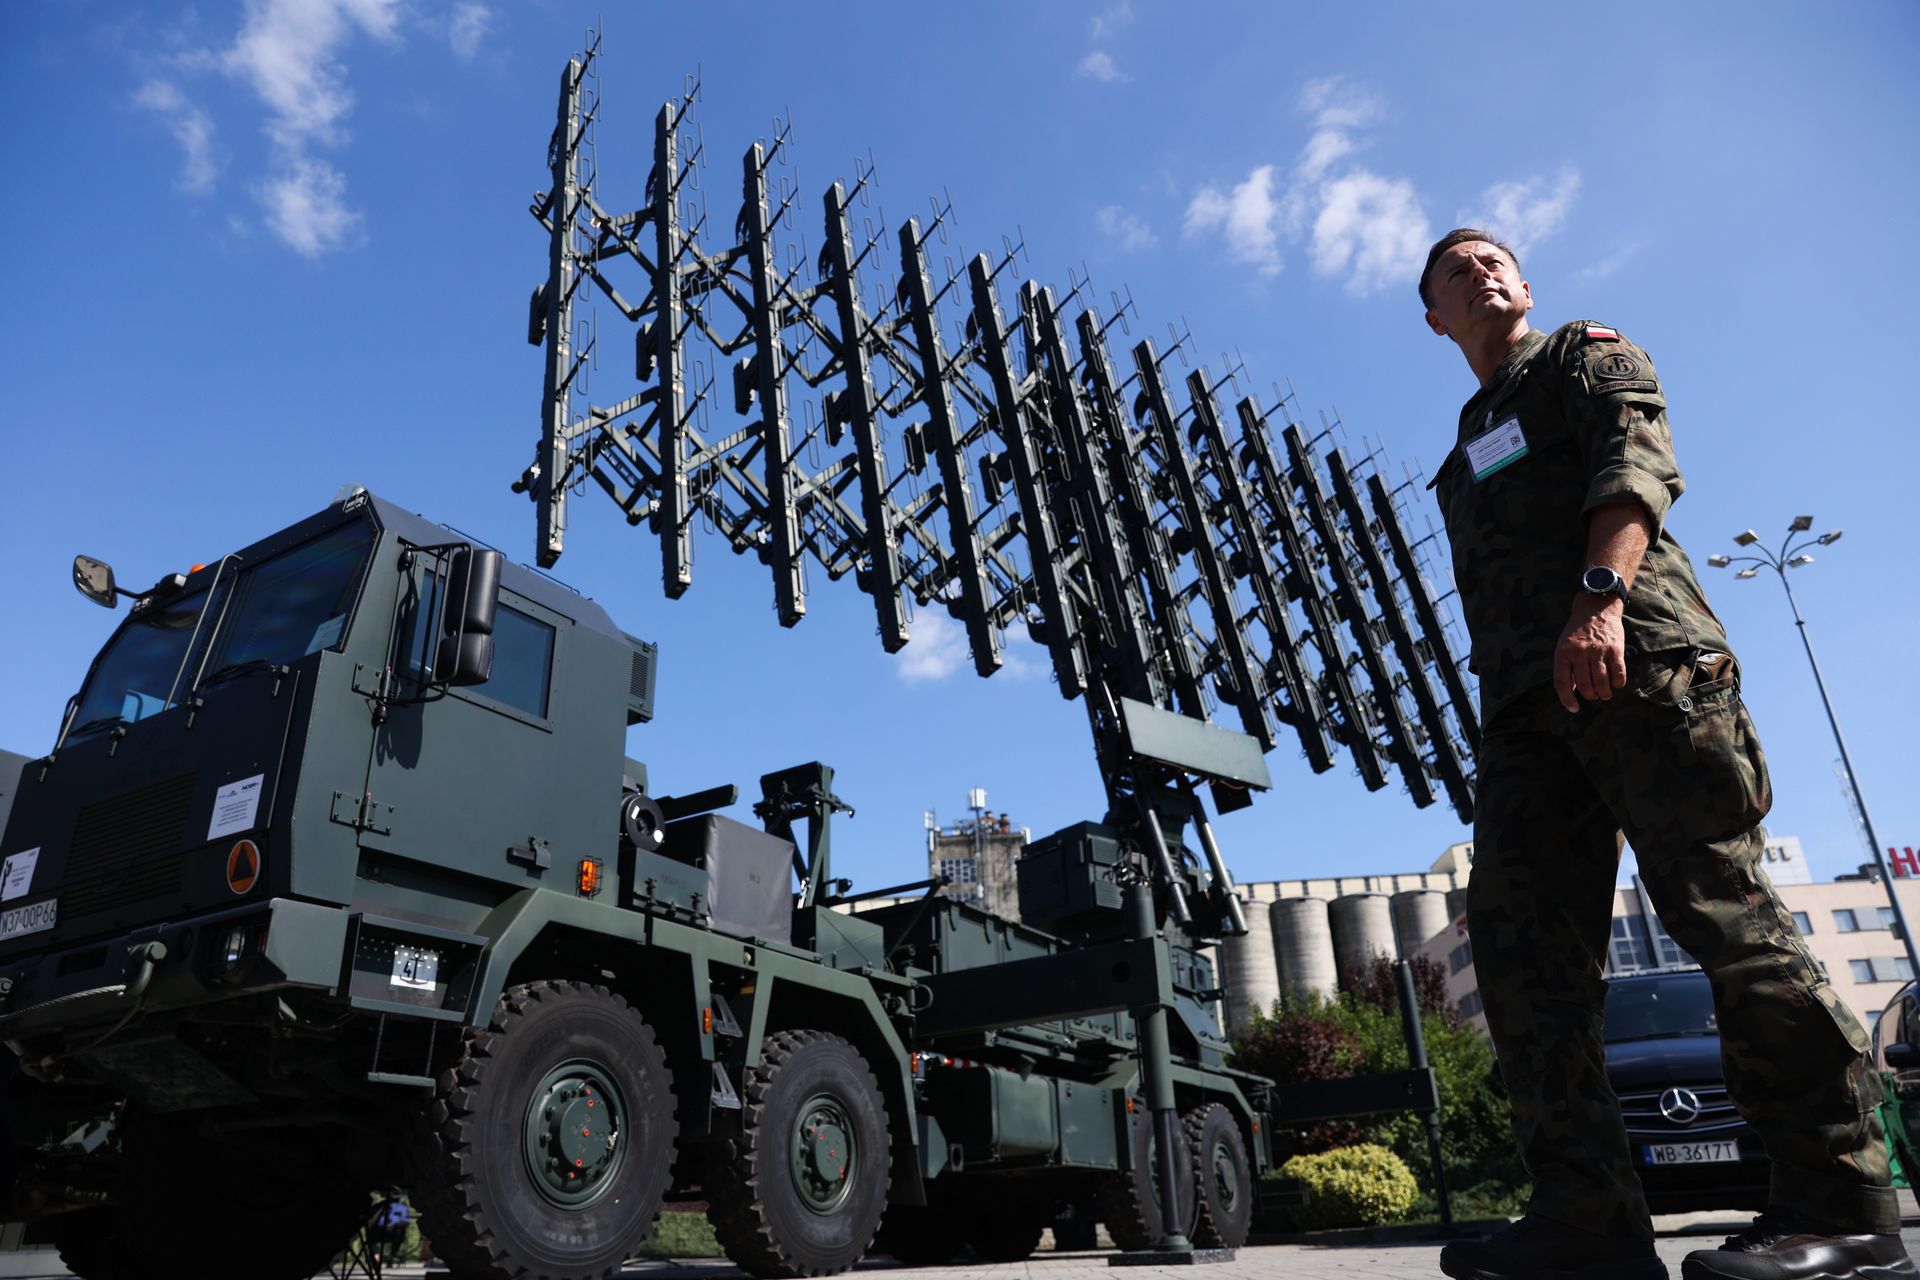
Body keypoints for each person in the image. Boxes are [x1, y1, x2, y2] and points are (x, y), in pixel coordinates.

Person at [1418, 227, 1914, 1280]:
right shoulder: (1468, 437)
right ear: (1435, 319)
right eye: (1456, 271)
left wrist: (1598, 601)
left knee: (1725, 914)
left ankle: (1843, 1202)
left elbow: (1635, 463)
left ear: (1524, 281)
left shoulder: (1584, 354)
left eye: (1493, 258)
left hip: (1637, 659)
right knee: (1522, 961)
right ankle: (1586, 1219)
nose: (1482, 272)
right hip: (1523, 716)